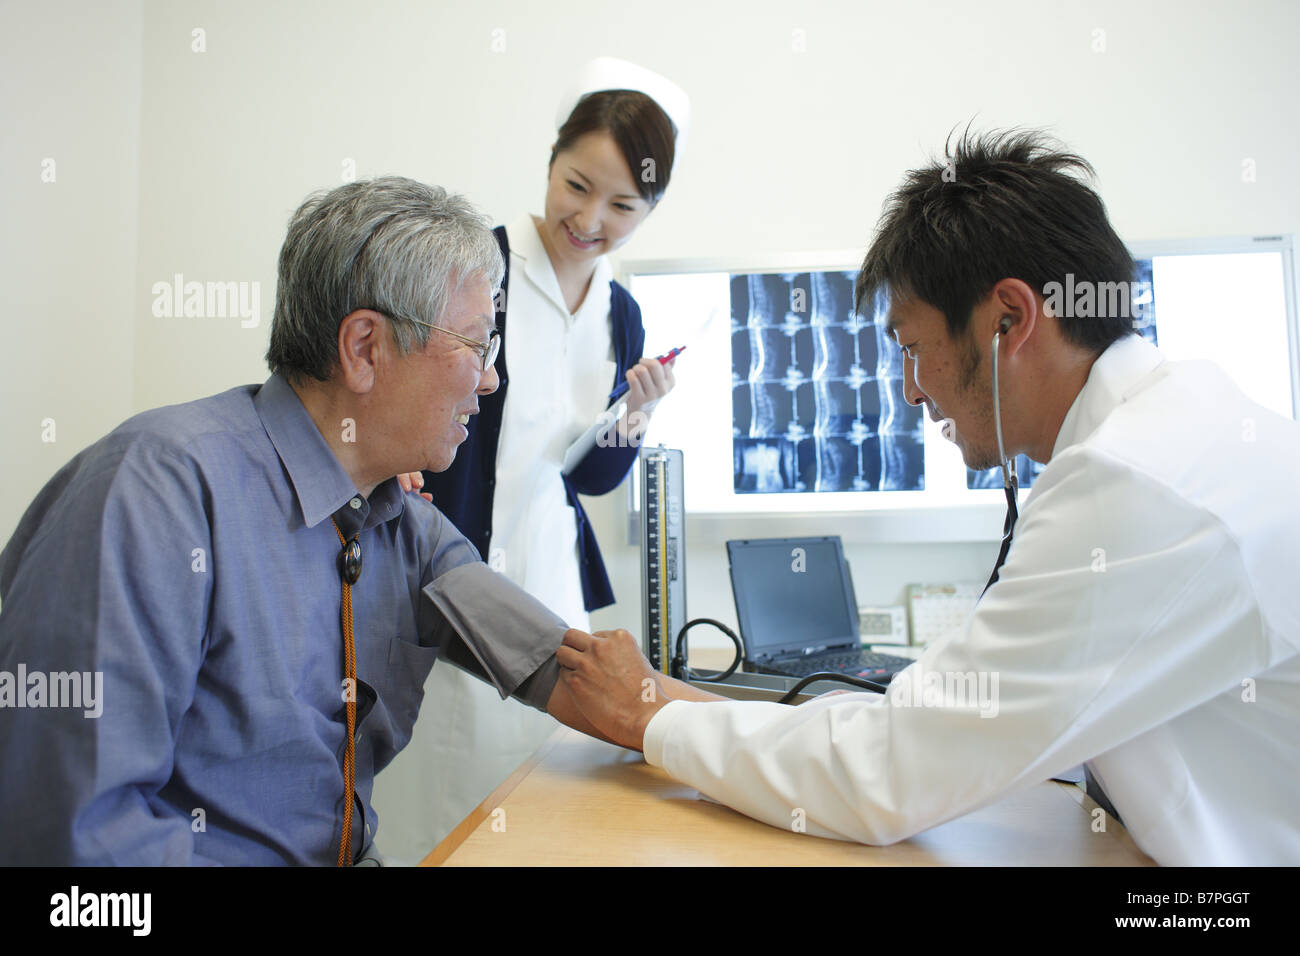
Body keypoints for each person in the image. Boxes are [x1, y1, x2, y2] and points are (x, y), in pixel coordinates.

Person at [553, 129, 1300, 866]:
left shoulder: (1136, 484)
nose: (910, 389)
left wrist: (646, 713)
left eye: (911, 348)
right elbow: (925, 729)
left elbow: (888, 772)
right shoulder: (1178, 427)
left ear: (1010, 319)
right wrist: (678, 704)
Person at [0, 176, 610, 865]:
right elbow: (71, 849)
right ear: (365, 348)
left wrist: (731, 734)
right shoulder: (153, 493)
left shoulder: (398, 520)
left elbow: (577, 676)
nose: (490, 380)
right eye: (477, 346)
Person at [375, 59, 687, 848]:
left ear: (649, 210)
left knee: (550, 801)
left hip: (550, 573)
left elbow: (587, 474)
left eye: (622, 205)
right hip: (458, 562)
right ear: (551, 164)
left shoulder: (620, 312)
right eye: (577, 185)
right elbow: (406, 394)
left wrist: (635, 416)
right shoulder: (479, 266)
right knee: (446, 786)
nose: (590, 217)